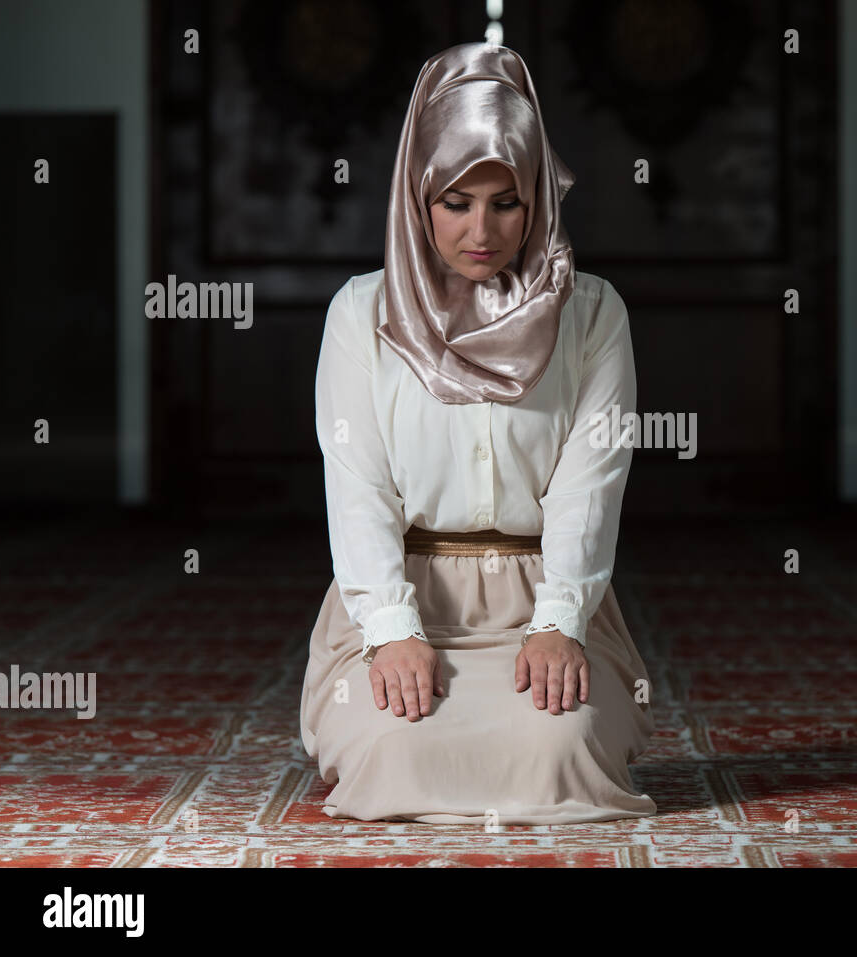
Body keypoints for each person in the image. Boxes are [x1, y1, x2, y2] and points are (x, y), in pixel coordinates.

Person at [299, 42, 657, 825]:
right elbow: (356, 486)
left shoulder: (591, 312)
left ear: (538, 201)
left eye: (507, 201)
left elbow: (589, 486)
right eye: (455, 202)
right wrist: (392, 632)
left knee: (559, 749)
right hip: (406, 601)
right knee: (394, 752)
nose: (481, 230)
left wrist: (560, 623)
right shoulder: (361, 315)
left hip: (544, 598)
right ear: (416, 198)